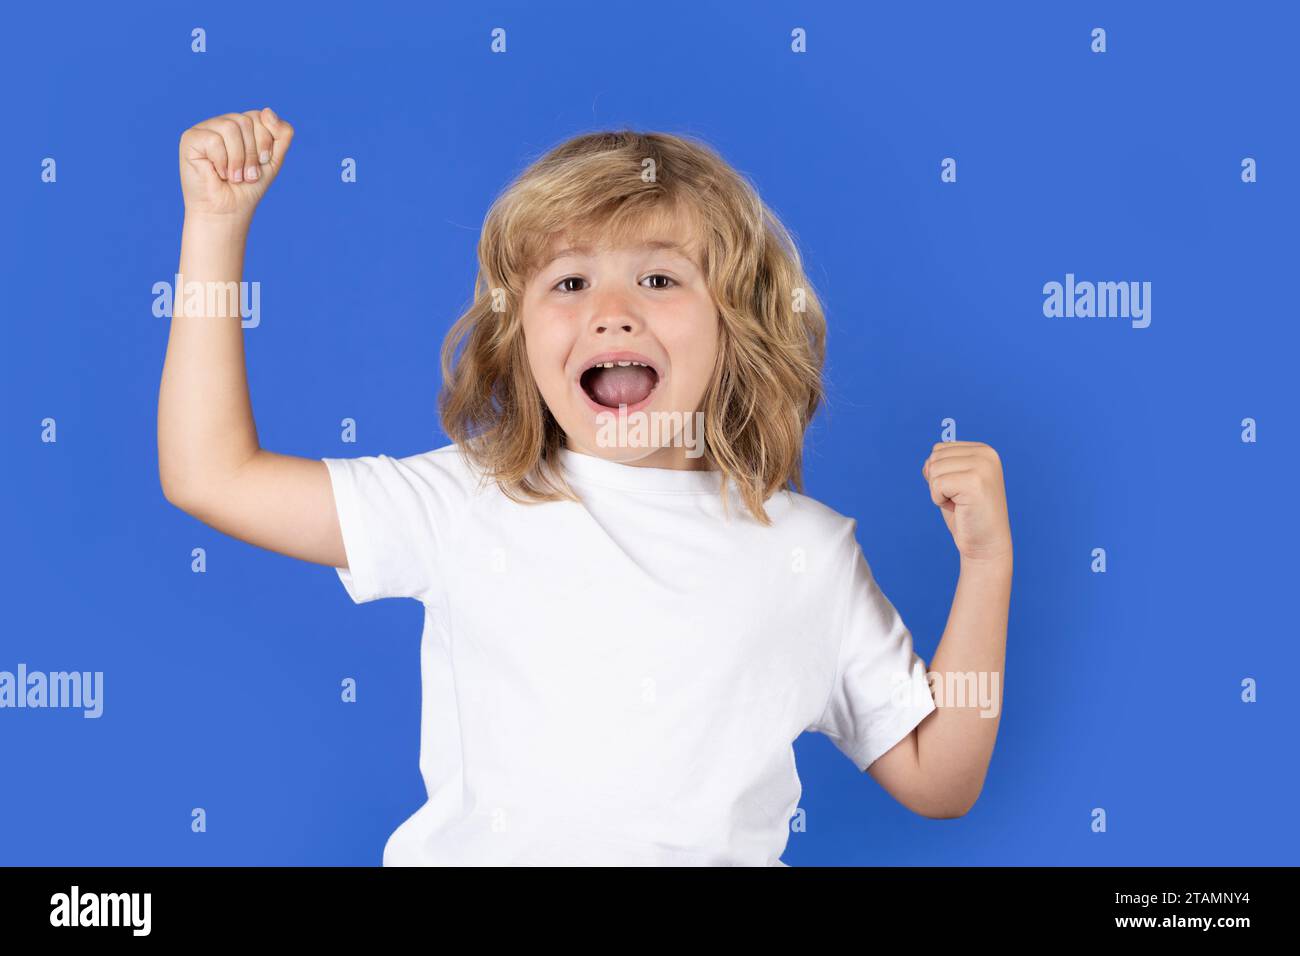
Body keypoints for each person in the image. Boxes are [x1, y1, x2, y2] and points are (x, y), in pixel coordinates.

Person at [158, 108, 1013, 866]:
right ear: (519, 337)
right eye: (569, 282)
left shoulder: (808, 552)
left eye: (658, 278)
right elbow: (212, 475)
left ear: (734, 330)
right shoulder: (467, 499)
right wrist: (216, 225)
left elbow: (940, 778)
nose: (612, 310)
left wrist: (986, 566)